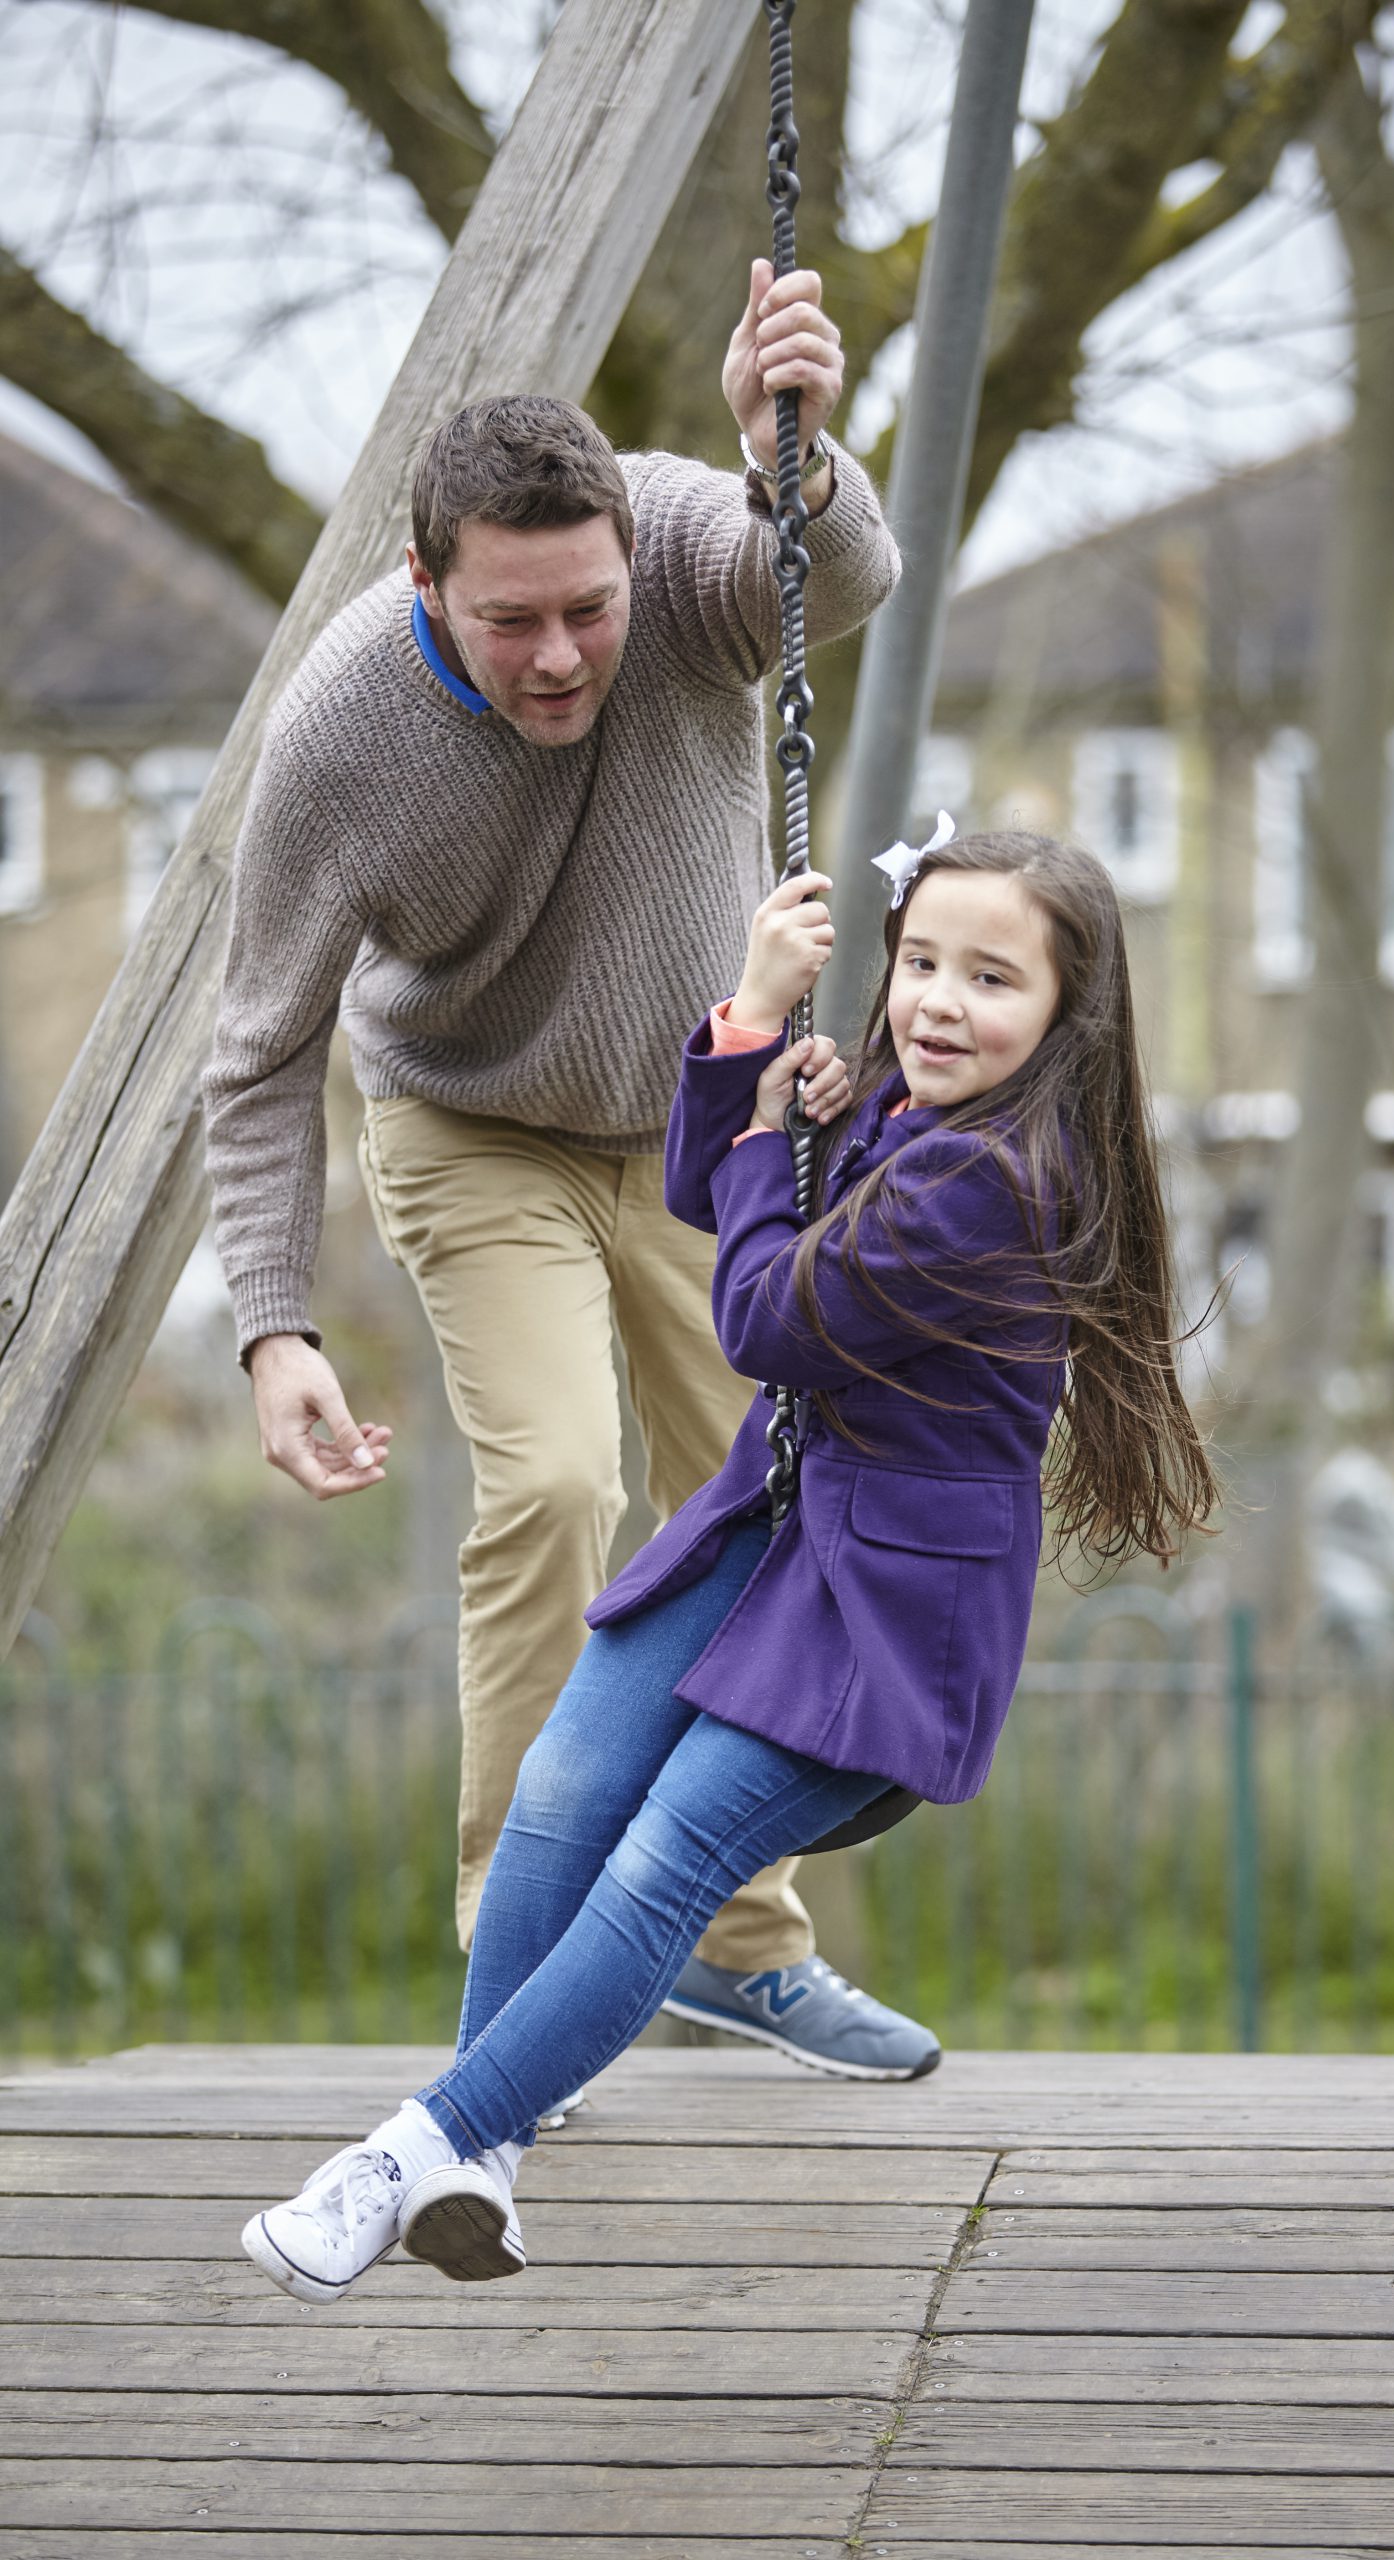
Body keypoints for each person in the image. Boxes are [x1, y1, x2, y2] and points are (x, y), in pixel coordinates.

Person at [240, 823, 1218, 2303]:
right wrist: (755, 1044)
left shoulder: (1000, 1180)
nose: (940, 1002)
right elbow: (709, 1194)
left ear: (1065, 1011)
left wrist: (774, 1143)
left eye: (992, 978)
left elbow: (759, 1319)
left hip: (884, 1606)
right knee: (559, 1792)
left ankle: (402, 2156)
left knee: (664, 1862)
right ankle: (481, 2148)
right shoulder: (909, 1108)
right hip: (765, 1528)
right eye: (923, 962)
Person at [203, 258, 938, 2078]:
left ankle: (739, 1948)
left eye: (587, 613)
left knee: (760, 1502)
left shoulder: (681, 546)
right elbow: (263, 1049)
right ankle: (516, 1964)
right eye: (510, 620)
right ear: (423, 584)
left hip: (708, 1126)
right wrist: (276, 1328)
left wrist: (794, 458)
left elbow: (845, 580)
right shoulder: (338, 737)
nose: (558, 656)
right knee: (554, 1485)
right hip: (477, 1127)